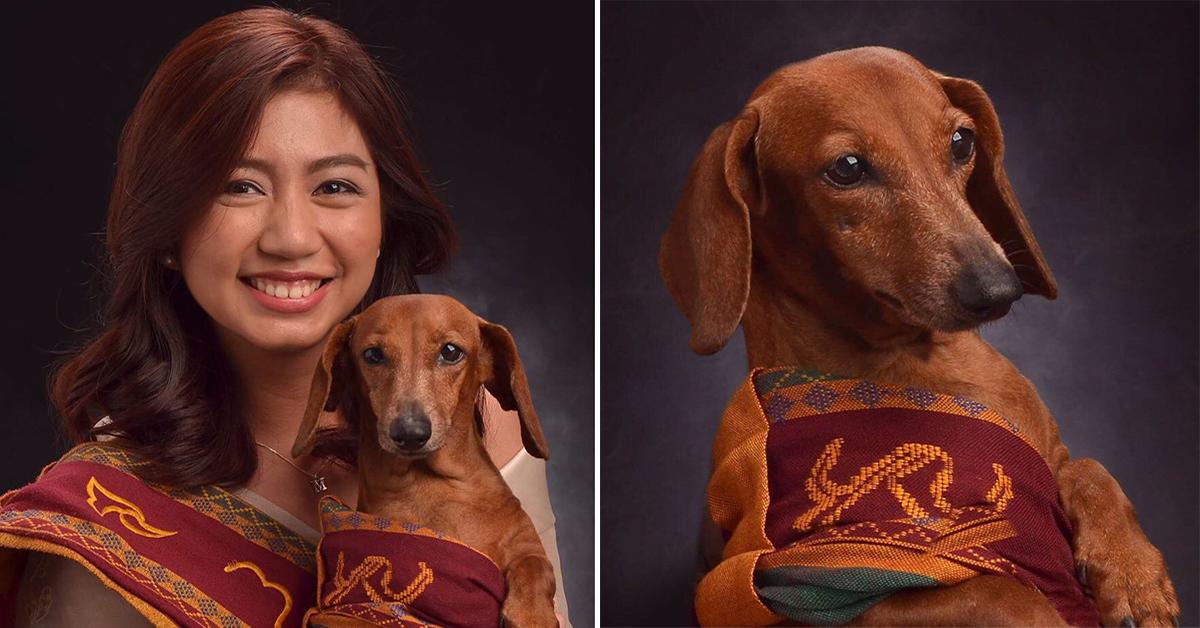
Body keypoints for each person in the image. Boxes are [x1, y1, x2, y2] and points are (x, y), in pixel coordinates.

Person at [0, 7, 569, 626]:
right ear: (167, 232)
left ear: (385, 218)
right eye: (240, 186)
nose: (293, 238)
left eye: (334, 187)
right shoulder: (101, 516)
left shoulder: (483, 426)